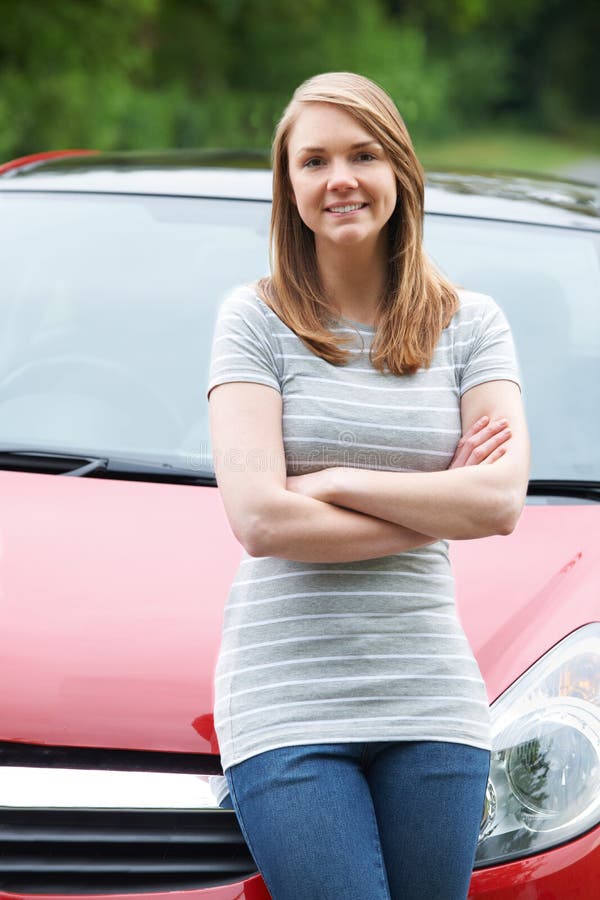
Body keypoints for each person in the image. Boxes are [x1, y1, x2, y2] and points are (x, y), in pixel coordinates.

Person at [206, 71, 530, 900]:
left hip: (430, 695)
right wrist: (435, 504)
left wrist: (333, 479)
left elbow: (497, 502)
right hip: (289, 699)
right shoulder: (254, 319)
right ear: (290, 187)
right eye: (313, 161)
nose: (339, 178)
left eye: (362, 154)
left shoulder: (472, 325)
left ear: (400, 173)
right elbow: (263, 521)